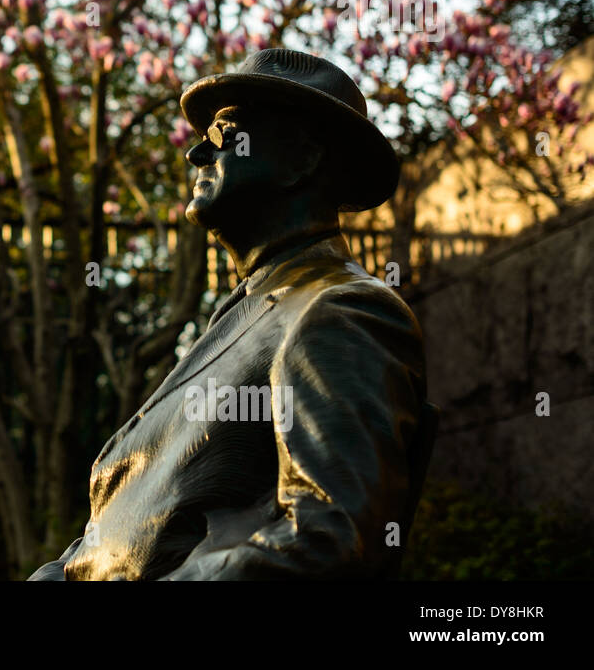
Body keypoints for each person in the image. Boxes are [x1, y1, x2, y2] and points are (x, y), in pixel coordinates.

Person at [28, 48, 427, 580]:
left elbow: (330, 538)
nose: (196, 153)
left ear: (301, 159)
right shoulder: (246, 316)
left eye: (223, 133)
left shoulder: (339, 311)